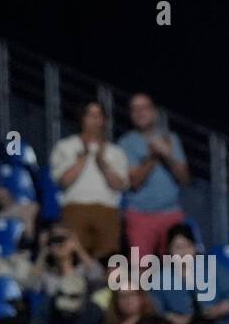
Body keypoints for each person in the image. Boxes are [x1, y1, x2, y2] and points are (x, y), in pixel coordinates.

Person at [49, 102, 128, 261]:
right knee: (74, 259)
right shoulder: (65, 146)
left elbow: (120, 185)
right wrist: (83, 158)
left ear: (103, 120)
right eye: (89, 115)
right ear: (82, 118)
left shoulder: (116, 152)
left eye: (98, 116)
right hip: (75, 208)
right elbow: (63, 181)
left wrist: (102, 164)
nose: (93, 120)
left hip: (107, 210)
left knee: (109, 261)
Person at [117, 93, 189, 257]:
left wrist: (168, 155)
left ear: (154, 112)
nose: (140, 112)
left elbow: (184, 178)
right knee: (142, 271)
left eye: (144, 108)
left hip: (172, 214)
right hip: (140, 216)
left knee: (179, 269)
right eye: (135, 109)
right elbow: (134, 182)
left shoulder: (172, 139)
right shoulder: (125, 143)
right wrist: (154, 156)